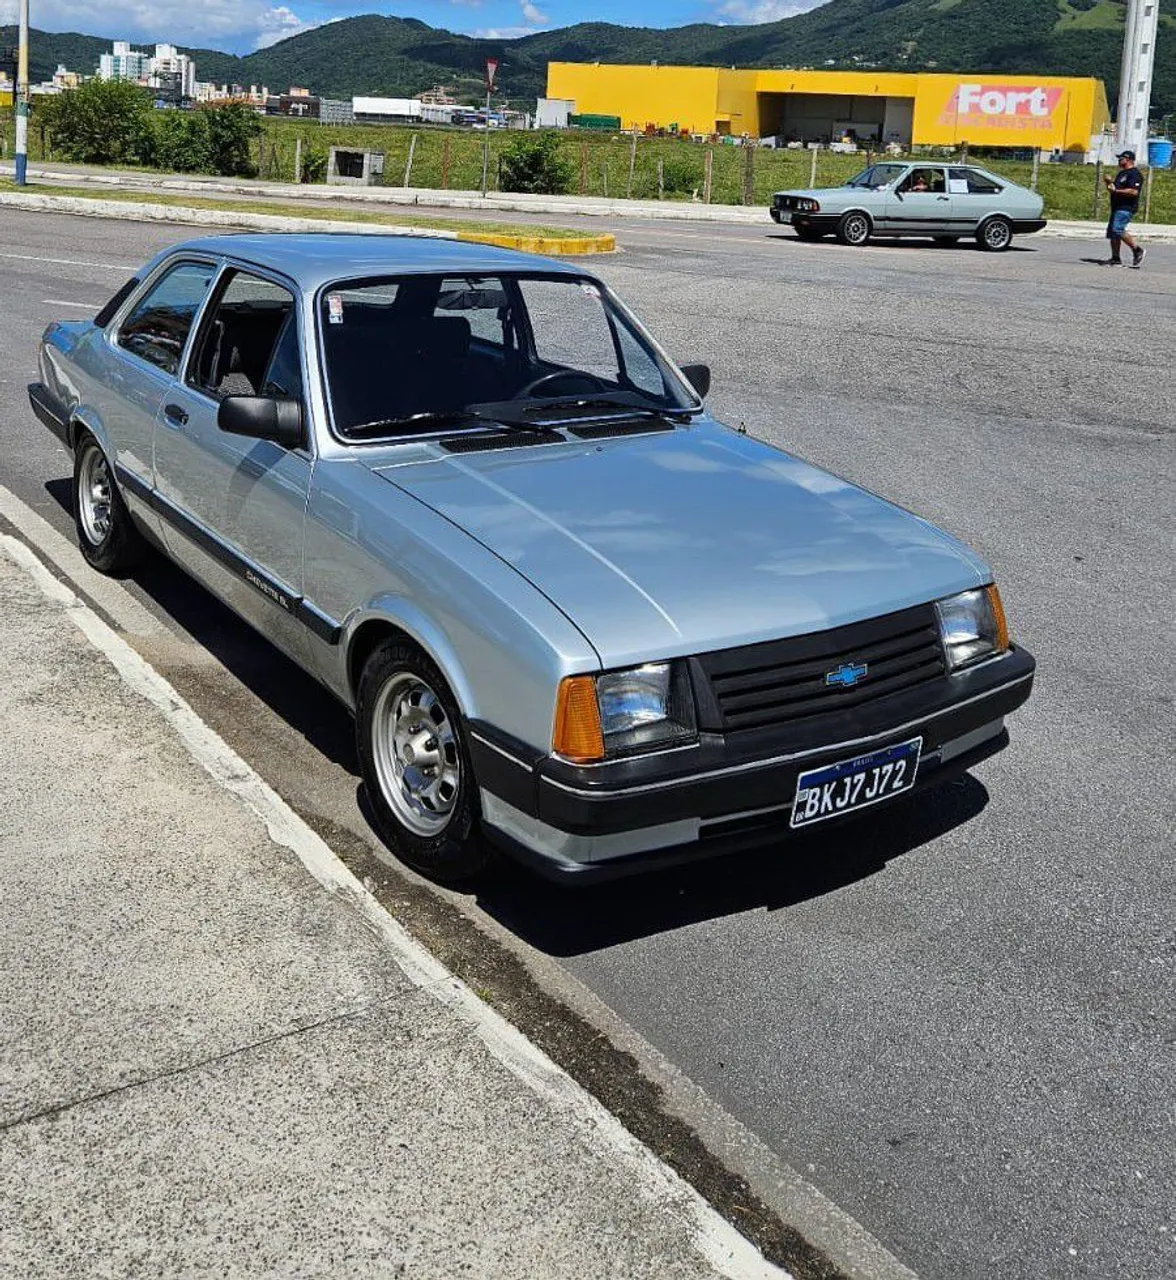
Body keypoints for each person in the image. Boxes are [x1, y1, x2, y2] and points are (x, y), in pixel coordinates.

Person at [1103, 150, 1145, 268]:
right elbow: (1113, 189)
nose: (1119, 160)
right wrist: (1108, 182)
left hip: (1126, 207)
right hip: (1116, 206)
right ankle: (1115, 258)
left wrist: (1116, 190)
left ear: (1129, 160)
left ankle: (1137, 250)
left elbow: (1134, 191)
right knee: (1113, 233)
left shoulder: (1134, 174)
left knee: (1117, 229)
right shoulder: (1122, 173)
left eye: (1121, 158)